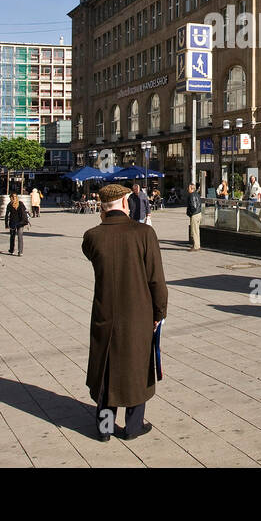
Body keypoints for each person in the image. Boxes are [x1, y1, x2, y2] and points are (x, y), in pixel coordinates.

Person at [82, 183, 168, 442]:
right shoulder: (144, 234)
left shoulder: (92, 236)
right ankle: (133, 426)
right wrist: (159, 311)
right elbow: (156, 280)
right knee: (136, 367)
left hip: (104, 313)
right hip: (138, 312)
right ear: (123, 203)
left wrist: (103, 220)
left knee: (107, 369)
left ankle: (105, 428)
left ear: (103, 207)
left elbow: (91, 253)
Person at [185, 182, 202, 251]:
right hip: (199, 213)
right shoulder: (197, 194)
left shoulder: (191, 195)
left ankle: (195, 246)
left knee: (194, 231)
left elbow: (193, 206)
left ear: (191, 188)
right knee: (197, 230)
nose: (187, 189)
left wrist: (190, 213)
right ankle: (197, 245)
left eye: (188, 188)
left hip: (194, 214)